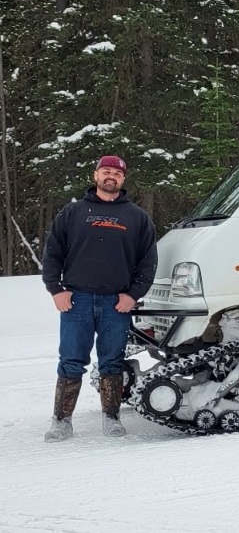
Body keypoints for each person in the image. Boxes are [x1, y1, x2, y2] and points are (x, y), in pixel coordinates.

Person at [41, 155, 157, 442]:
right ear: (95, 175)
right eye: (105, 171)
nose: (110, 177)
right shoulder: (73, 212)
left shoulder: (137, 217)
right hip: (76, 301)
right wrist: (56, 289)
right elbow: (53, 253)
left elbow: (148, 261)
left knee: (112, 361)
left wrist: (133, 295)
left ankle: (111, 417)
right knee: (71, 360)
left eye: (116, 173)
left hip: (116, 304)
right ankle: (61, 421)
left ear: (123, 179)